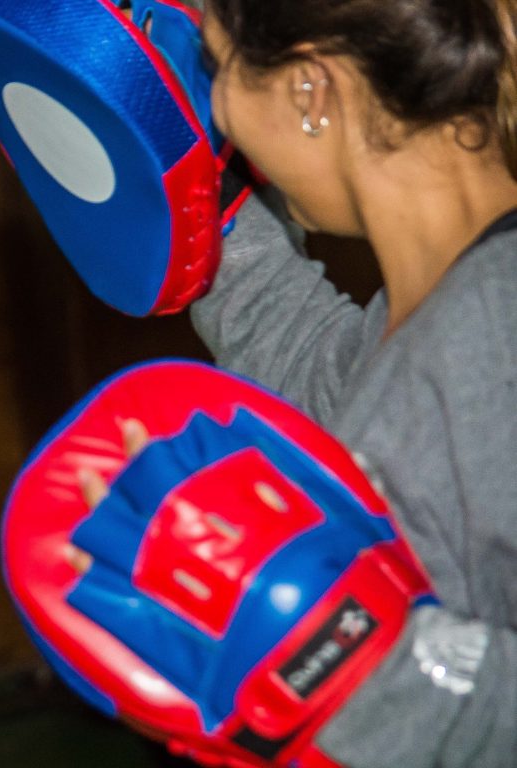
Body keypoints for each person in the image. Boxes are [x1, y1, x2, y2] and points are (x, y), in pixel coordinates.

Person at [176, 0, 517, 765]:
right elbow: (343, 394)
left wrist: (341, 667)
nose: (219, 111)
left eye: (218, 67)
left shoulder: (494, 329)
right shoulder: (433, 313)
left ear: (310, 89)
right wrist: (199, 213)